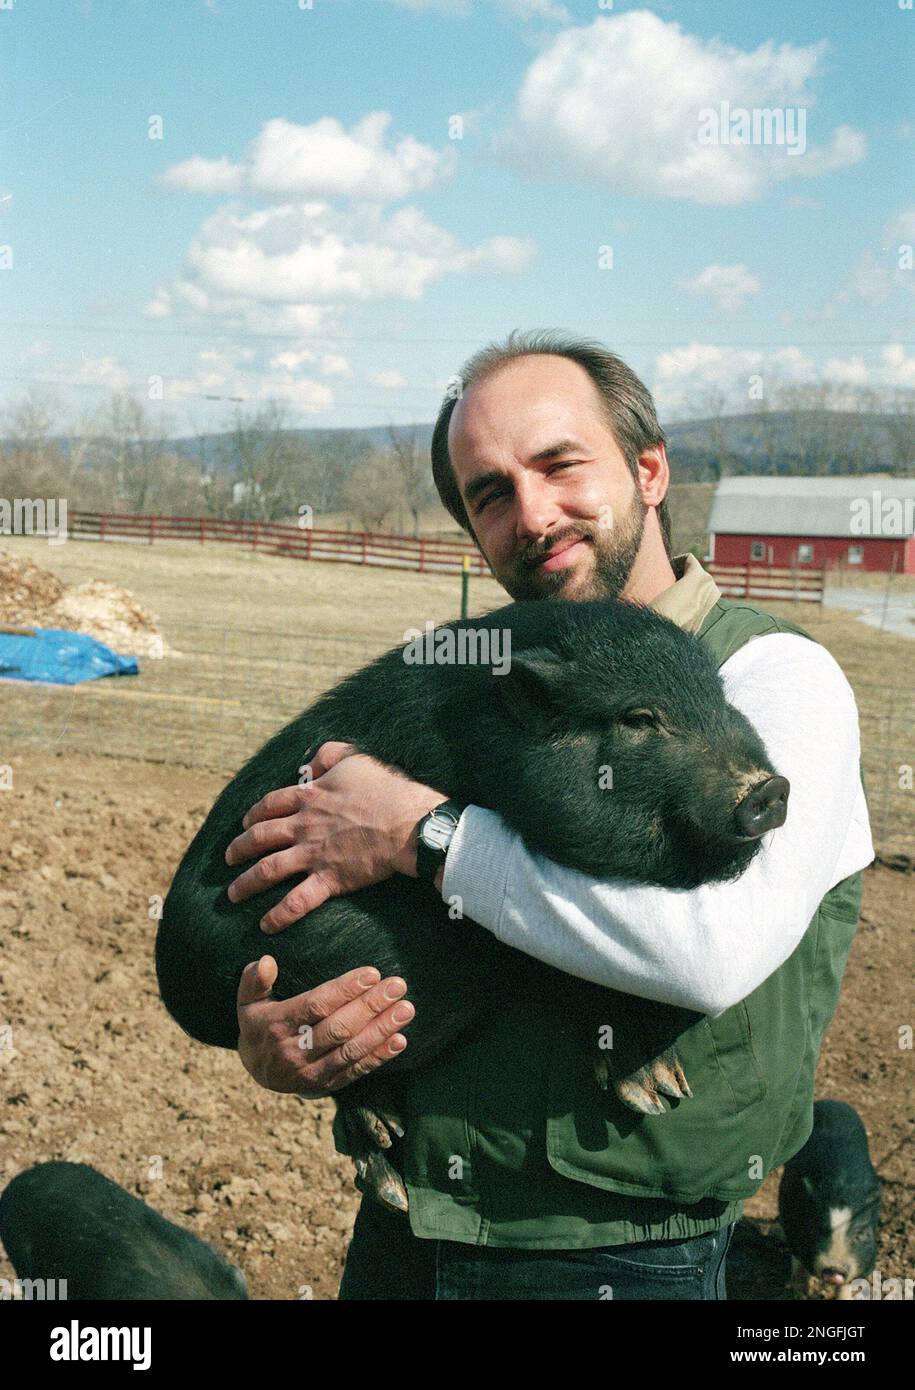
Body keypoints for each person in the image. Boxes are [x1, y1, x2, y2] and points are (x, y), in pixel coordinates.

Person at [223, 330, 874, 1300]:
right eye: (490, 493)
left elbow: (711, 947)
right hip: (409, 1223)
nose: (531, 512)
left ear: (650, 469)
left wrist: (421, 835)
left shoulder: (777, 678)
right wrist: (290, 1033)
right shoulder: (503, 694)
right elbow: (424, 927)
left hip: (617, 1256)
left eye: (560, 464)